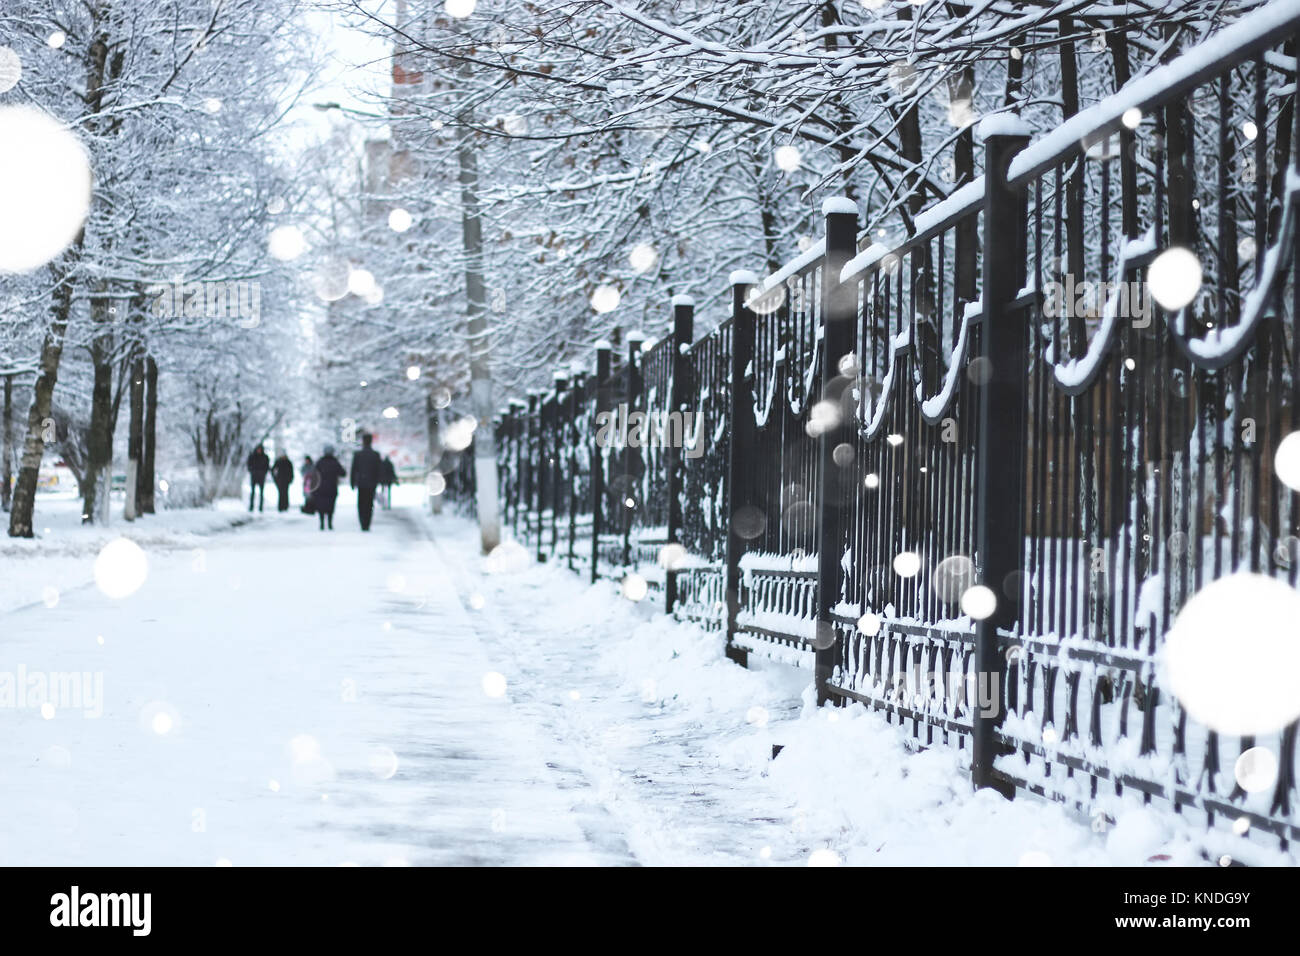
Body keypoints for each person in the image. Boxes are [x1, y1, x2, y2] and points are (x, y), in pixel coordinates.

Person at [350, 433, 382, 531]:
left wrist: (352, 482)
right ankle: (367, 523)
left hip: (361, 483)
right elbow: (379, 470)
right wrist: (378, 481)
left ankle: (363, 523)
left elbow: (354, 470)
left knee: (361, 503)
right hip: (371, 483)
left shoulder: (358, 455)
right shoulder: (375, 455)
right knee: (369, 504)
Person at [312, 445, 346, 530]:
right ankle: (330, 523)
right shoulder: (335, 462)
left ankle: (322, 523)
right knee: (330, 505)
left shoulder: (320, 462)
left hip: (321, 488)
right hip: (332, 487)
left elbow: (314, 474)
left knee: (321, 505)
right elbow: (343, 473)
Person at [246, 444, 270, 512]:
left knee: (261, 492)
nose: (259, 450)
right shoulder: (252, 456)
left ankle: (261, 507)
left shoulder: (265, 457)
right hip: (254, 476)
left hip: (261, 477)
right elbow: (249, 465)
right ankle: (251, 506)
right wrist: (252, 471)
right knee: (252, 492)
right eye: (258, 449)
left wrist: (263, 472)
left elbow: (267, 466)